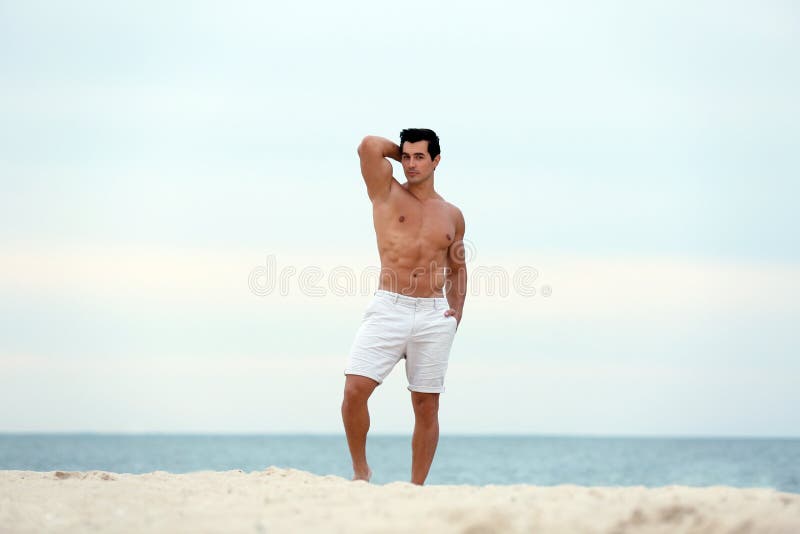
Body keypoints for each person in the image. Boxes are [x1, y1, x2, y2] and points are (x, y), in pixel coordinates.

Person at [341, 128, 467, 485]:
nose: (410, 164)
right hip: (388, 307)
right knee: (354, 391)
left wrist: (456, 313)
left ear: (436, 160)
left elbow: (458, 268)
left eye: (419, 157)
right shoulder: (386, 192)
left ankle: (416, 488)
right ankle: (361, 472)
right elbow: (368, 145)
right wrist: (402, 154)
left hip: (432, 313)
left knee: (426, 406)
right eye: (406, 157)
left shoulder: (452, 214)